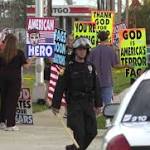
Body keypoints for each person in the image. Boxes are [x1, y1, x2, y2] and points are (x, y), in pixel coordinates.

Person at [51, 37, 102, 150]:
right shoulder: (68, 67)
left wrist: (98, 104)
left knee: (92, 132)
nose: (82, 51)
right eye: (79, 49)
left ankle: (73, 149)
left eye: (84, 49)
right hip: (74, 105)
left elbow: (96, 86)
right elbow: (60, 86)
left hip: (88, 103)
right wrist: (56, 105)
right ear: (75, 50)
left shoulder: (90, 67)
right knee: (80, 133)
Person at [0, 33, 34, 131]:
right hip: (14, 80)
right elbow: (26, 66)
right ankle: (10, 124)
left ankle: (2, 122)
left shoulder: (1, 53)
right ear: (15, 43)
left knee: (4, 100)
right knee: (12, 101)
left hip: (2, 79)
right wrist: (31, 59)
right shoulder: (19, 53)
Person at [87, 31, 129, 106]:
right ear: (107, 38)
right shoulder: (110, 50)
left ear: (99, 39)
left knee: (95, 106)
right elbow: (116, 66)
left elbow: (88, 66)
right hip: (107, 82)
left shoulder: (92, 51)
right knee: (108, 106)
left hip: (94, 82)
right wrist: (126, 65)